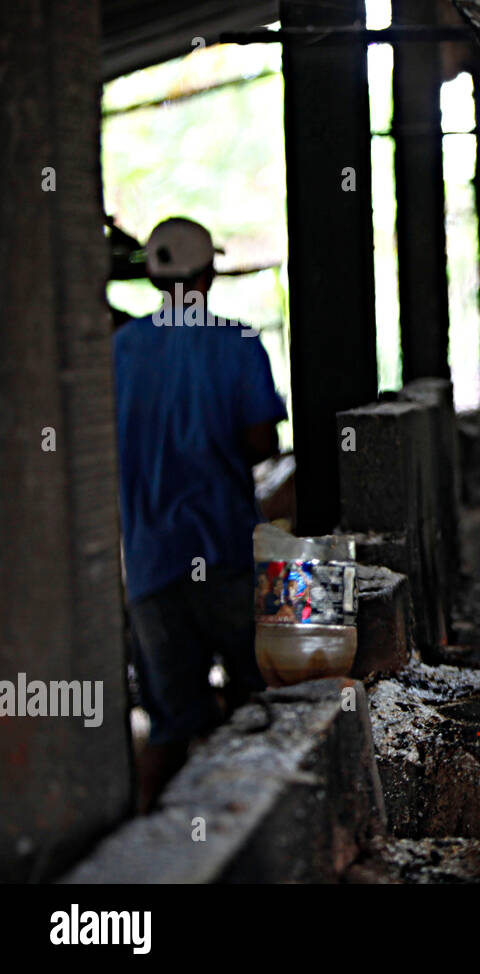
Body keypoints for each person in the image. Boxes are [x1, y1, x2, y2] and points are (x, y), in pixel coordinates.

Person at [114, 217, 287, 810]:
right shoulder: (238, 344)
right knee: (256, 711)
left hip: (151, 567)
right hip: (227, 556)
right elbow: (262, 442)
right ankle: (252, 832)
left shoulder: (118, 351)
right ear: (209, 272)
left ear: (153, 276)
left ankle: (145, 849)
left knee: (169, 729)